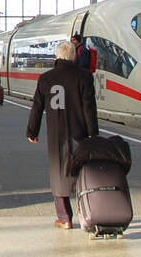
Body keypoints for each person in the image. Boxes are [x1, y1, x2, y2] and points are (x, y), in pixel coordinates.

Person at [26, 40, 98, 229]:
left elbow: (37, 107)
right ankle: (87, 212)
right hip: (80, 130)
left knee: (58, 172)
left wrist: (32, 131)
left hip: (56, 131)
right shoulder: (85, 77)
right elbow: (89, 108)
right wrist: (93, 134)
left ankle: (64, 217)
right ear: (74, 56)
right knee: (83, 171)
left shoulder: (46, 78)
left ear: (56, 57)